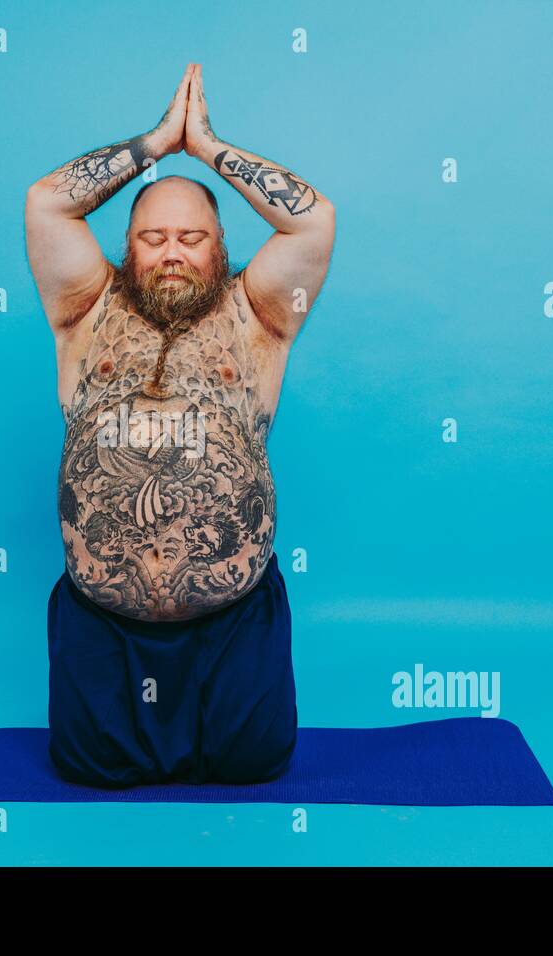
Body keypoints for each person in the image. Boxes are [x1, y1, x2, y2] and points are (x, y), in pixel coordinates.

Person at [24, 63, 335, 787]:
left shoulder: (257, 315)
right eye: (153, 236)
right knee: (87, 775)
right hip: (102, 628)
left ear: (219, 244)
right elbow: (46, 205)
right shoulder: (84, 309)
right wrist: (157, 144)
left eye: (191, 237)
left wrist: (209, 149)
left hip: (233, 628)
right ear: (127, 245)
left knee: (256, 769)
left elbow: (312, 217)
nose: (170, 251)